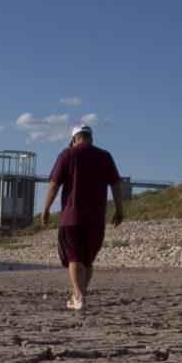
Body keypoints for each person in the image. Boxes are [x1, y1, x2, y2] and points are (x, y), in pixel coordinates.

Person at [39, 125, 123, 310]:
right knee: (87, 259)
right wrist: (119, 209)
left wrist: (45, 209)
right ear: (91, 139)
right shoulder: (105, 156)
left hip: (72, 217)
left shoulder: (67, 155)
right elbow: (116, 184)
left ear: (74, 139)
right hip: (96, 218)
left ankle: (80, 296)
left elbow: (54, 184)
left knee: (74, 257)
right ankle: (79, 295)